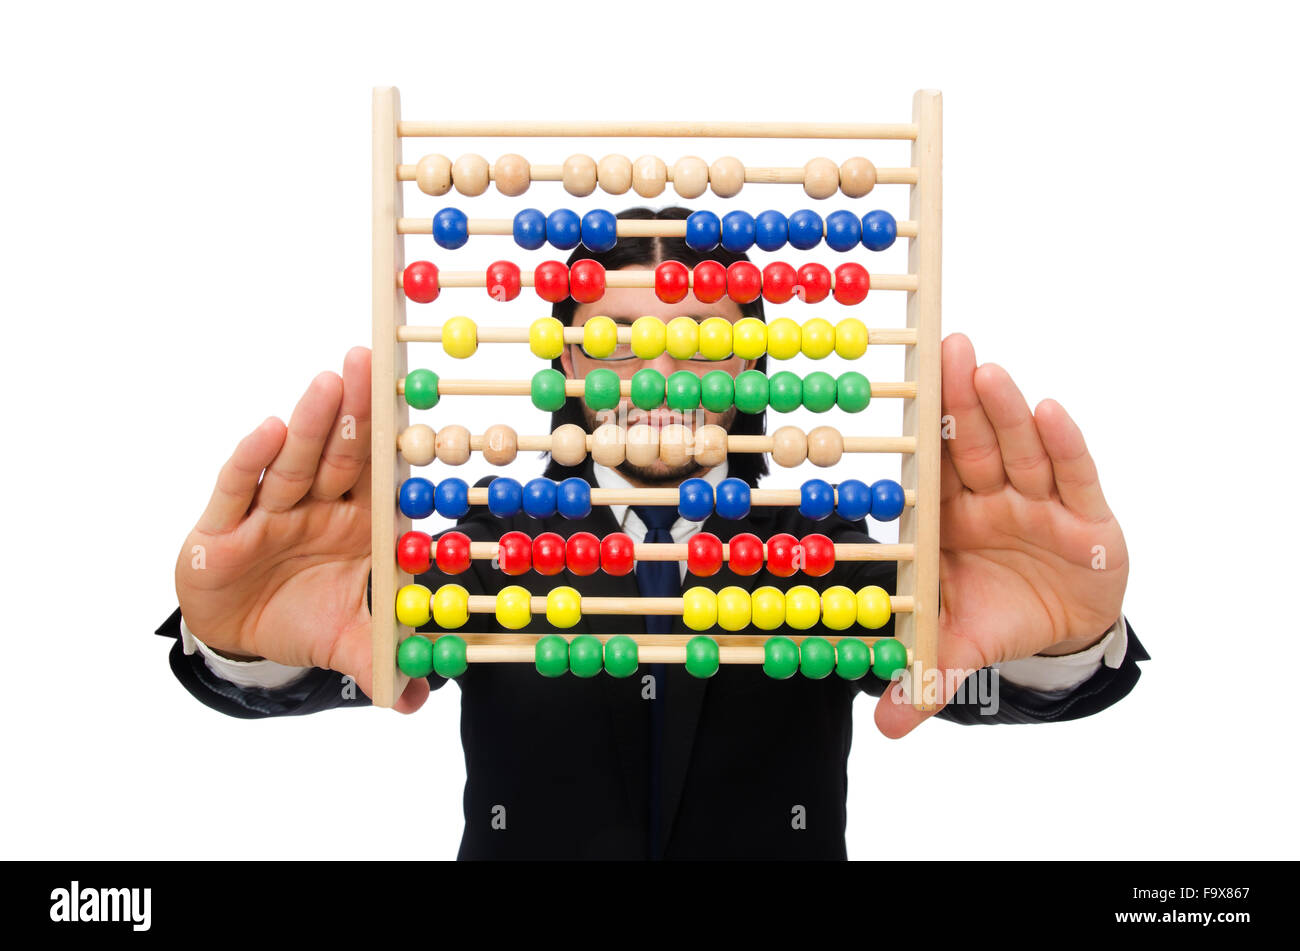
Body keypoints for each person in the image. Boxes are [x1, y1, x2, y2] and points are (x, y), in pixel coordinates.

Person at [158, 207, 1149, 859]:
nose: (661, 376)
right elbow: (353, 659)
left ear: (755, 368)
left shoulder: (841, 552)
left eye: (701, 339)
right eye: (619, 341)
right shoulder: (475, 546)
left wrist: (1057, 651)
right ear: (567, 372)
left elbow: (950, 683)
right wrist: (242, 650)